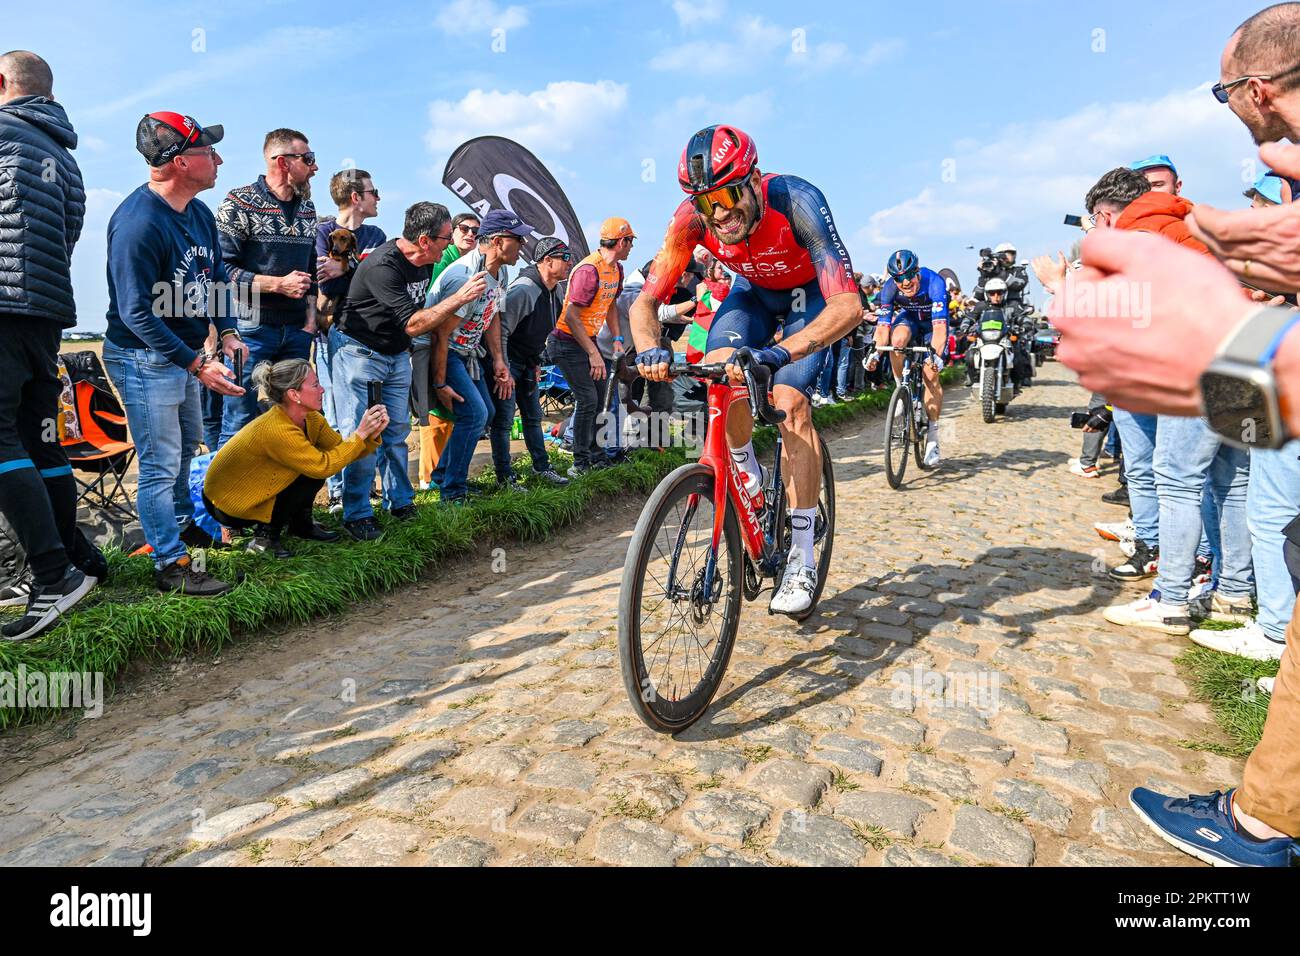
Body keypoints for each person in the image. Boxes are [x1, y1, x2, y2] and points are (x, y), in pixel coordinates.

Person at [631, 125, 862, 615]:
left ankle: (801, 553)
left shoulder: (796, 200)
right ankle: (745, 471)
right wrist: (650, 348)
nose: (719, 213)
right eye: (705, 201)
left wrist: (782, 354)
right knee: (719, 370)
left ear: (754, 180)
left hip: (811, 300)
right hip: (752, 296)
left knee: (789, 401)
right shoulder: (689, 222)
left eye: (730, 193)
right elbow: (645, 303)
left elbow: (847, 304)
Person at [102, 111, 247, 597]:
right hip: (144, 358)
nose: (219, 158)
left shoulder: (201, 213)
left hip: (182, 354)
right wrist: (197, 362)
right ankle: (169, 564)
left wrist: (225, 330)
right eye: (209, 151)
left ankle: (184, 533)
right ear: (181, 162)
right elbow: (136, 313)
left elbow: (217, 278)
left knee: (186, 450)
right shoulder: (138, 223)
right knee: (160, 463)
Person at [0, 50, 105, 639]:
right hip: (45, 312)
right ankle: (78, 562)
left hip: (3, 305)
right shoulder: (65, 157)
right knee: (43, 439)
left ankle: (53, 576)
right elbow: (68, 232)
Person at [330, 202, 477, 540]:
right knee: (363, 434)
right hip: (359, 351)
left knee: (396, 431)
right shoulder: (385, 265)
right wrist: (458, 299)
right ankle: (357, 513)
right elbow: (413, 323)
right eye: (445, 237)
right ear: (425, 240)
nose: (449, 243)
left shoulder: (424, 263)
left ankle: (400, 502)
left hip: (394, 353)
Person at [204, 359, 386, 557]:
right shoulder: (278, 429)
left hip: (250, 491)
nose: (322, 390)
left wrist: (370, 434)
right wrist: (360, 434)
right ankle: (264, 539)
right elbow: (324, 466)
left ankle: (301, 525)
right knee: (311, 467)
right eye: (315, 385)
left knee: (310, 467)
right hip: (228, 505)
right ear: (294, 395)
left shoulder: (310, 417)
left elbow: (341, 451)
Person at [215, 128, 320, 448]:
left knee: (295, 417)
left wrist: (311, 321)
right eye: (308, 159)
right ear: (283, 162)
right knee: (240, 417)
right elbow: (222, 271)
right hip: (251, 329)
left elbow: (312, 267)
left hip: (297, 331)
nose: (315, 167)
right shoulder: (239, 202)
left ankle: (282, 495)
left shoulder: (308, 208)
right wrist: (278, 284)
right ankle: (225, 497)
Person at [425, 209, 529, 503]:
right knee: (475, 414)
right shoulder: (465, 275)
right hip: (446, 350)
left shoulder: (501, 271)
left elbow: (492, 314)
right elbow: (440, 334)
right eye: (518, 238)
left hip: (468, 351)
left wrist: (498, 359)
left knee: (487, 412)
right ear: (497, 240)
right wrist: (440, 382)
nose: (523, 244)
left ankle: (443, 476)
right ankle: (452, 492)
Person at [314, 168, 386, 511]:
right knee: (334, 414)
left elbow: (381, 284)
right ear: (356, 197)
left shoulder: (376, 233)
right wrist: (355, 272)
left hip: (370, 335)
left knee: (370, 415)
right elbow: (325, 285)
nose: (378, 198)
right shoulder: (323, 232)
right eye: (373, 192)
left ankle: (364, 487)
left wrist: (346, 270)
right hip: (332, 337)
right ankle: (339, 491)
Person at [550, 217, 635, 477]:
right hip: (566, 342)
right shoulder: (589, 270)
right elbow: (573, 317)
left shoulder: (616, 270)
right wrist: (593, 353)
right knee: (587, 399)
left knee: (602, 398)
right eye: (630, 242)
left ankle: (598, 457)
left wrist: (618, 340)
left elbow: (610, 304)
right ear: (621, 241)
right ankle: (579, 463)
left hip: (588, 341)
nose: (631, 247)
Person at [493, 237, 574, 487]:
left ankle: (541, 467)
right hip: (508, 362)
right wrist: (503, 368)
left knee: (532, 416)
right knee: (504, 421)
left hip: (528, 362)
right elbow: (500, 330)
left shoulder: (556, 290)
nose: (570, 263)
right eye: (565, 258)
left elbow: (540, 331)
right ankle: (505, 478)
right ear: (547, 260)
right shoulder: (525, 289)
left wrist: (536, 361)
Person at [412, 211, 479, 490]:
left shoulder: (470, 263)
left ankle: (440, 475)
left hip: (456, 345)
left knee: (454, 412)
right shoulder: (447, 261)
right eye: (464, 228)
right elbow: (433, 308)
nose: (470, 234)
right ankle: (429, 478)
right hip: (429, 341)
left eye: (476, 231)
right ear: (452, 233)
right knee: (437, 412)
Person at [868, 249, 949, 466]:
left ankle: (932, 436)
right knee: (896, 342)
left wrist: (937, 356)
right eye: (898, 279)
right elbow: (883, 327)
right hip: (910, 319)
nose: (904, 283)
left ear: (917, 272)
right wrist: (875, 351)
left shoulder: (935, 282)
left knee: (930, 373)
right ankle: (901, 390)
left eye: (908, 276)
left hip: (933, 322)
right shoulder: (889, 289)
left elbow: (940, 329)